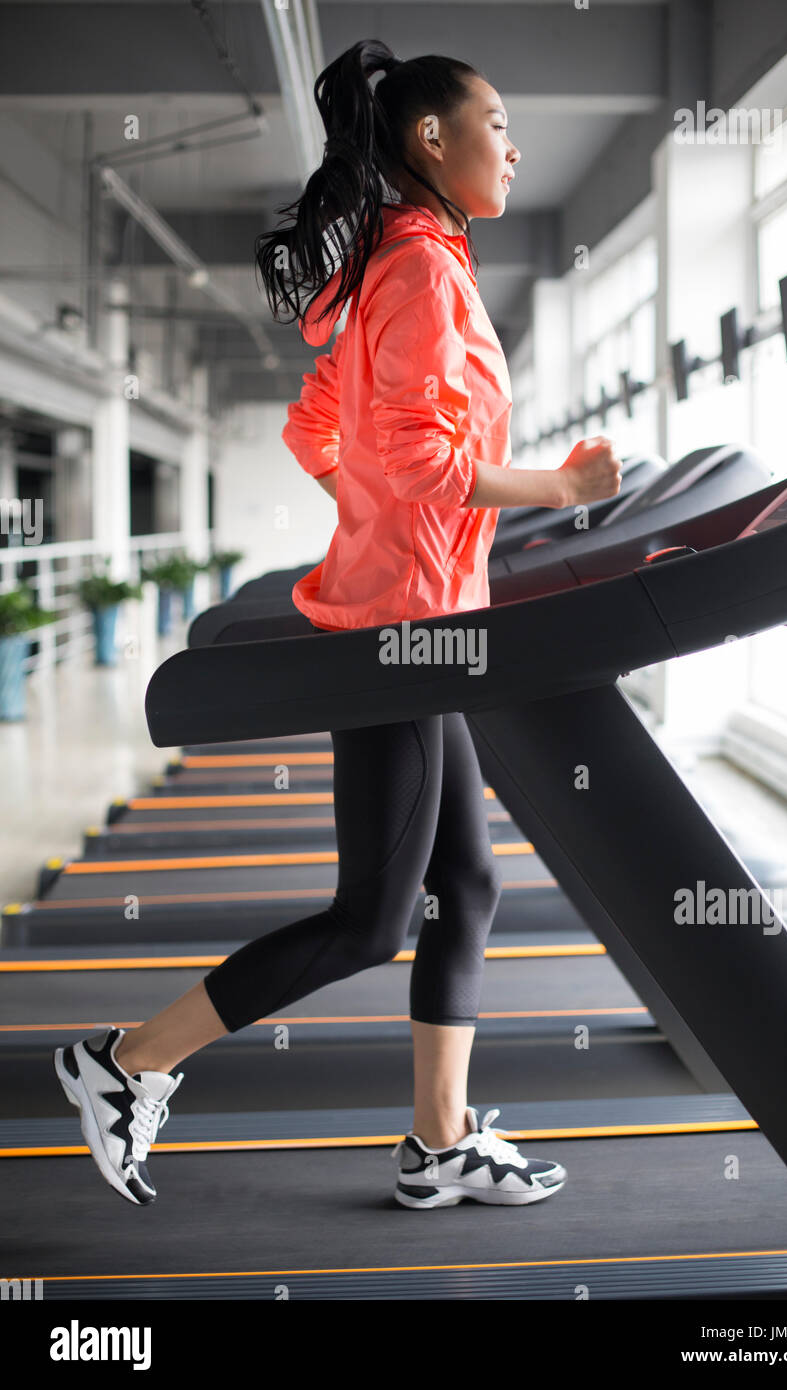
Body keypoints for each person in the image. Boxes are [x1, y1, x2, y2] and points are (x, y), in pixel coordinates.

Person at [55, 38, 621, 1210]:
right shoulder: (416, 270)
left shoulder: (399, 263)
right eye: (495, 122)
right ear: (430, 138)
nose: (512, 145)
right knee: (373, 918)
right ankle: (126, 1061)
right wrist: (556, 490)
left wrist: (377, 521)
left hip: (409, 611)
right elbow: (417, 458)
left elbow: (322, 432)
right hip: (400, 630)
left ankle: (436, 1141)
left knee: (461, 887)